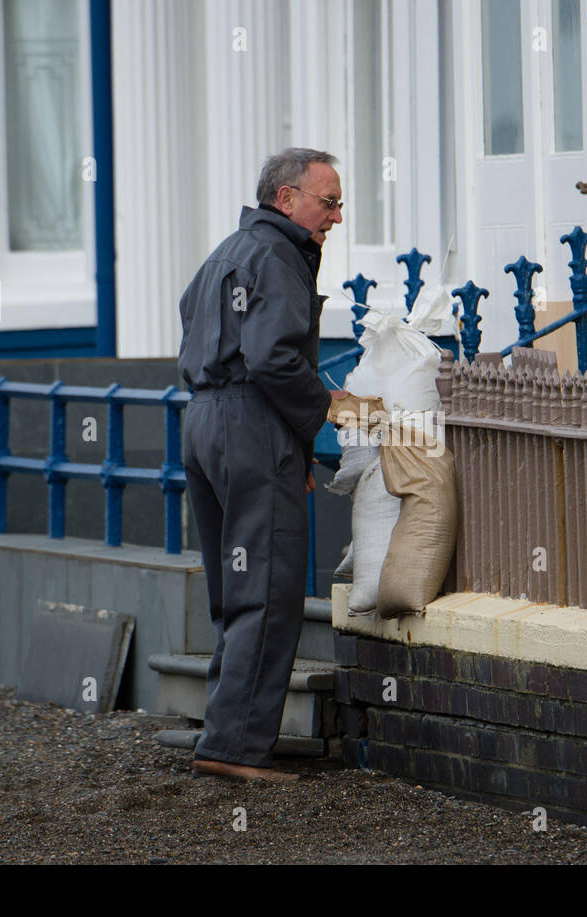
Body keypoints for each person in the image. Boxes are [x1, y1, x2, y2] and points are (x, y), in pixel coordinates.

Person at [177, 147, 345, 782]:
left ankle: (227, 736)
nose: (334, 217)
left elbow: (193, 319)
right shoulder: (277, 255)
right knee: (268, 588)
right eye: (327, 202)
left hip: (203, 422)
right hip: (252, 425)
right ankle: (236, 750)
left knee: (234, 587)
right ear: (287, 199)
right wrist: (315, 419)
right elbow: (274, 360)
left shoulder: (227, 250)